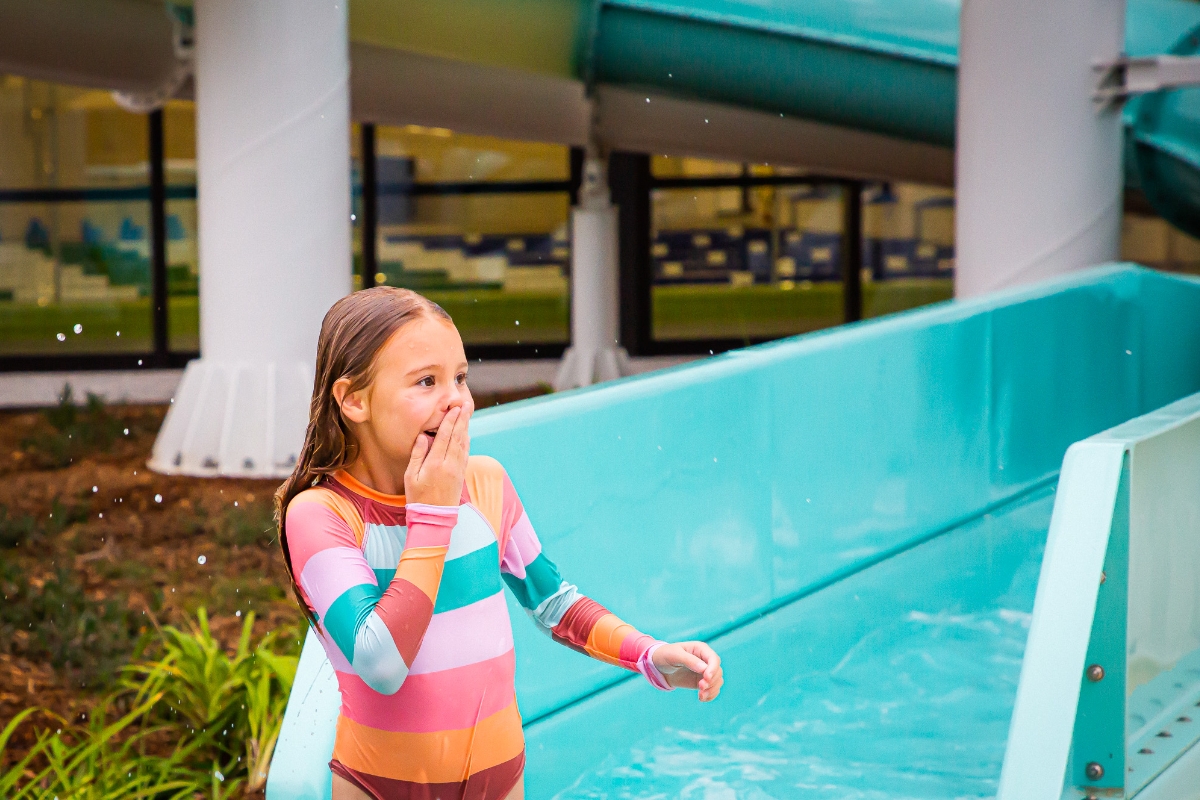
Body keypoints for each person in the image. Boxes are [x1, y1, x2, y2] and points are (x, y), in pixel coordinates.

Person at [275, 287, 724, 800]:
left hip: (502, 782)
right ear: (354, 399)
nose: (457, 401)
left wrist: (651, 655)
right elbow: (380, 665)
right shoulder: (322, 514)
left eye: (460, 378)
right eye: (427, 381)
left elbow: (555, 604)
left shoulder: (486, 484)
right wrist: (434, 514)